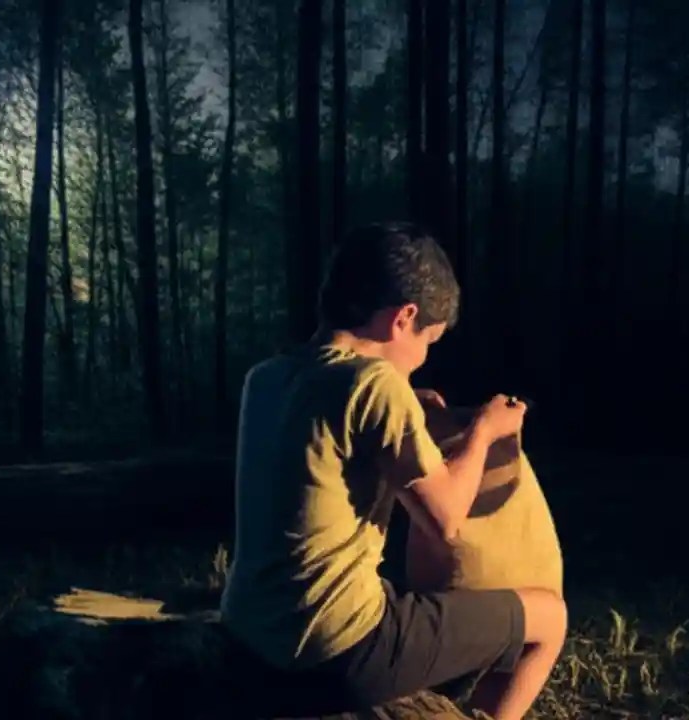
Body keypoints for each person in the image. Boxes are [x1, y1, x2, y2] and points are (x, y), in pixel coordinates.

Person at [219, 221, 567, 720]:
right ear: (404, 318)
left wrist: (408, 406)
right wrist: (484, 431)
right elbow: (445, 519)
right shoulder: (375, 384)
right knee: (550, 618)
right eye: (429, 341)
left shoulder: (268, 377)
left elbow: (331, 429)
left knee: (425, 609)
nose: (423, 359)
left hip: (249, 638)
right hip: (335, 652)